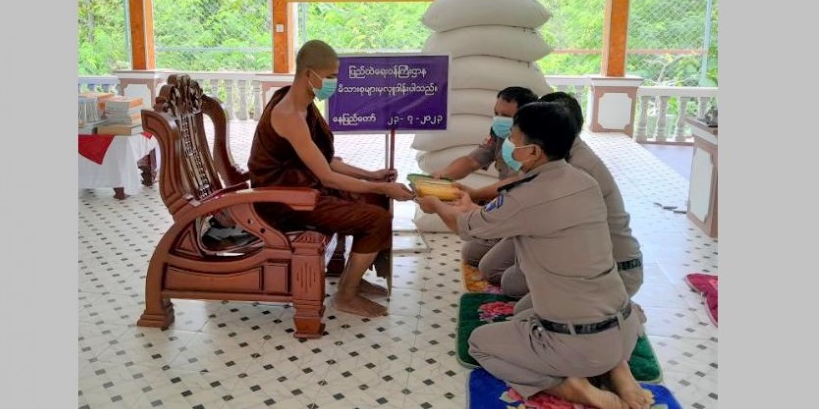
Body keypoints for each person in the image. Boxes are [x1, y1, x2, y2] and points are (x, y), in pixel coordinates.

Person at [417, 102, 653, 409]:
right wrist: (470, 206)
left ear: (533, 151)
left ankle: (572, 388)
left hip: (582, 345)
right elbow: (509, 213)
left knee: (480, 343)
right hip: (623, 328)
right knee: (524, 312)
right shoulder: (584, 182)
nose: (509, 145)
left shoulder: (528, 194)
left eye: (514, 139)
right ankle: (618, 370)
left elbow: (466, 227)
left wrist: (436, 205)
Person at [246, 39, 415, 318]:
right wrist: (383, 186)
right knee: (377, 220)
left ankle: (353, 278)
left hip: (303, 189)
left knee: (374, 199)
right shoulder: (289, 114)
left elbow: (325, 162)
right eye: (330, 77)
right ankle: (346, 295)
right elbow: (328, 177)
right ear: (308, 74)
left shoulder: (304, 105)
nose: (334, 83)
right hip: (283, 202)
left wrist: (373, 177)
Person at [485, 92, 644, 299]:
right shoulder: (545, 154)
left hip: (606, 271)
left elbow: (535, 217)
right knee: (491, 267)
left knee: (512, 283)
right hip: (564, 247)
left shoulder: (578, 169)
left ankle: (612, 306)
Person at [429, 87, 539, 267]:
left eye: (505, 116)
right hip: (504, 204)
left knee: (481, 260)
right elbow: (472, 161)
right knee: (473, 252)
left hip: (523, 212)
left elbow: (517, 182)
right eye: (496, 113)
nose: (498, 119)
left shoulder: (533, 144)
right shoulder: (498, 134)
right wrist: (444, 174)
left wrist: (474, 195)